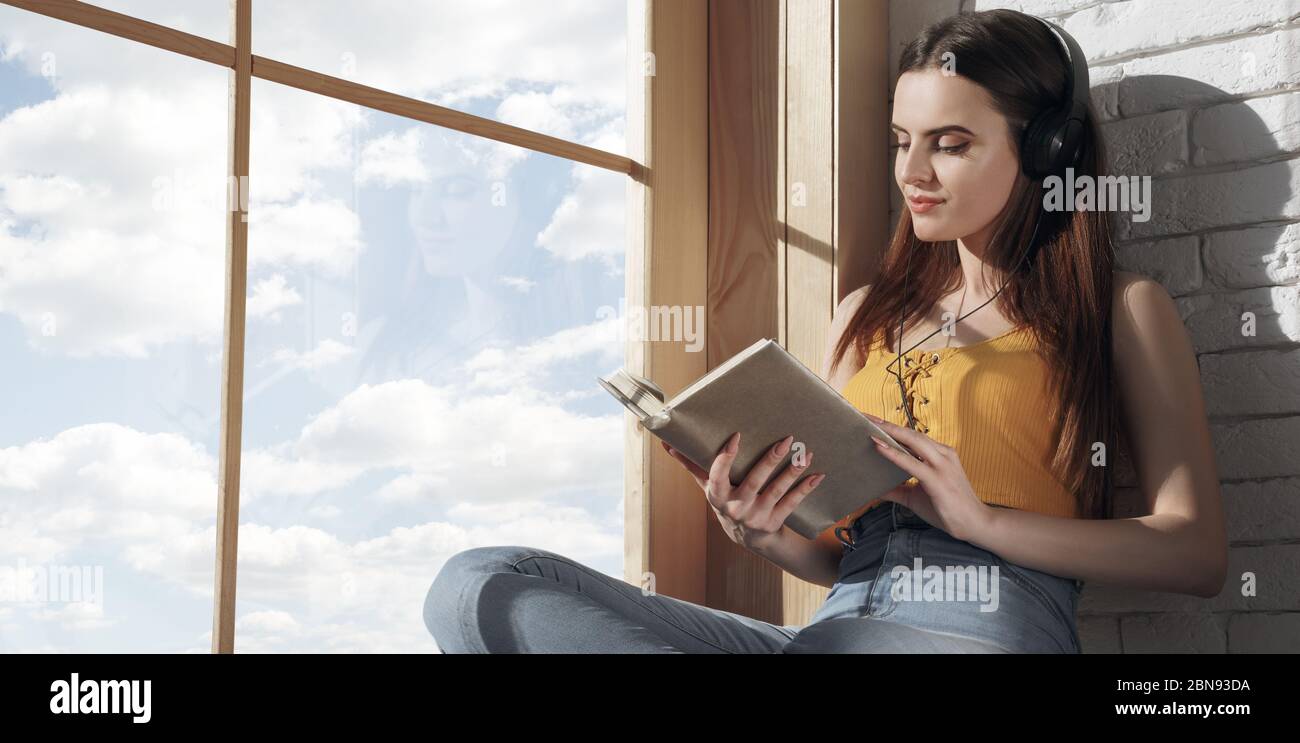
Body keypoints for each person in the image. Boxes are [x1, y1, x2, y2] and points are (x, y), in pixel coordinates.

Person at [422, 8, 1228, 653]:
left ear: (1045, 154)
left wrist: (980, 521)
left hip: (988, 621)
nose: (913, 173)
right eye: (900, 143)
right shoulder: (863, 315)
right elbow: (831, 556)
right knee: (479, 586)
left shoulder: (1121, 310)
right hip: (838, 622)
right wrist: (761, 527)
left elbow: (1193, 552)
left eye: (950, 144)